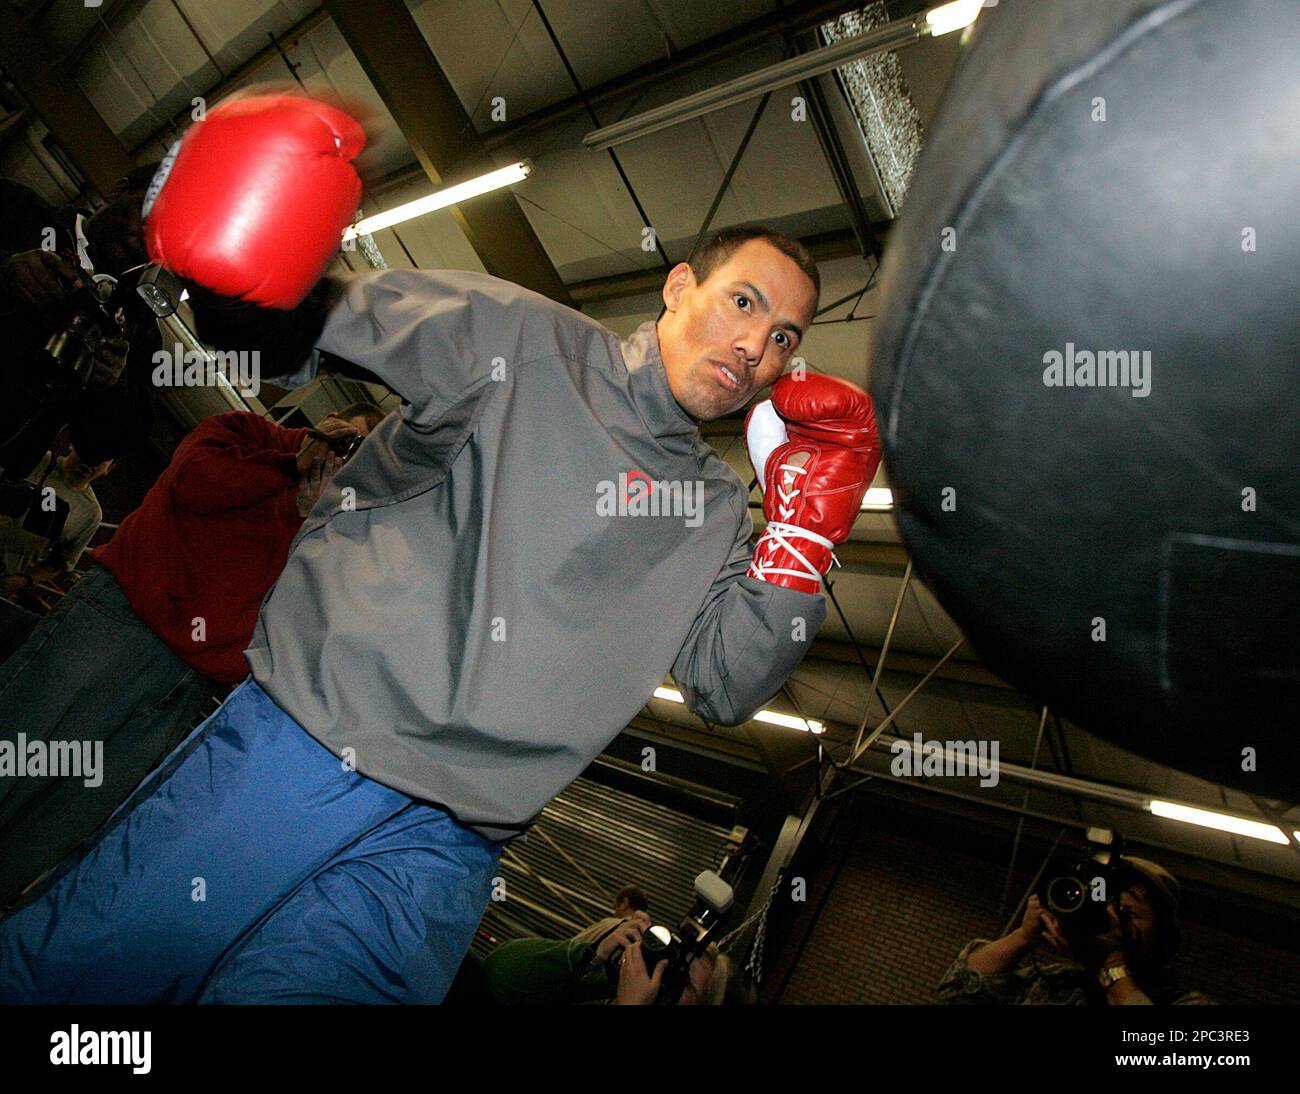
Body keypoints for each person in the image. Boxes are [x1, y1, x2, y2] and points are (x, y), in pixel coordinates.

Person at [0, 93, 879, 1004]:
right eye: (744, 301)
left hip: (449, 854)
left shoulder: (718, 514)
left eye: (783, 337)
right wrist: (244, 270)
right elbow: (315, 325)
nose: (755, 344)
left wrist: (806, 533)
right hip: (307, 749)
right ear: (678, 285)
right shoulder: (525, 340)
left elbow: (728, 684)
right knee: (77, 983)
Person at [0, 404, 381, 910]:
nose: (343, 465)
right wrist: (290, 474)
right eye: (347, 444)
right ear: (328, 422)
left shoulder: (339, 522)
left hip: (184, 688)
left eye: (363, 459)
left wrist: (315, 519)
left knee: (62, 817)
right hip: (120, 623)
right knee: (16, 748)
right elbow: (195, 484)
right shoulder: (245, 434)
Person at [0, 165, 161, 485]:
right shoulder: (14, 209)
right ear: (119, 191)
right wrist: (4, 270)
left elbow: (105, 445)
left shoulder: (138, 330)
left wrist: (111, 387)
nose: (147, 243)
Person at [937, 857, 1213, 1005]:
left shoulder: (1183, 1001)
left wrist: (1112, 963)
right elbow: (956, 993)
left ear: (1164, 938)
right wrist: (1024, 936)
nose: (1114, 918)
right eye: (1106, 904)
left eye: (1131, 913)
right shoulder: (1057, 981)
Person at [478, 914, 743, 1005]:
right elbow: (498, 971)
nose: (666, 974)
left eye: (683, 981)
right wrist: (592, 956)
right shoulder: (605, 986)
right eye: (674, 962)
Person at [572, 883, 651, 943]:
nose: (615, 913)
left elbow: (573, 944)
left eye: (615, 906)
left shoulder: (611, 924)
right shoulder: (648, 940)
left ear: (624, 903)